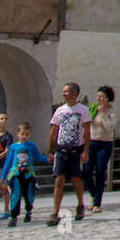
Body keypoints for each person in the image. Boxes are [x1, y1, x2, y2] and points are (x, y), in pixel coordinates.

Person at [47, 82, 91, 228]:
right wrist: (50, 149)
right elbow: (53, 130)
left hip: (75, 150)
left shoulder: (83, 110)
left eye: (66, 91)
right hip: (61, 149)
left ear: (74, 94)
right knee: (58, 180)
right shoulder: (60, 111)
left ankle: (80, 204)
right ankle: (55, 212)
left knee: (75, 179)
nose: (63, 94)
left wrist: (85, 151)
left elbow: (87, 132)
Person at [1, 122, 49, 227]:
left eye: (26, 134)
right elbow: (8, 162)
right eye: (22, 134)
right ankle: (14, 217)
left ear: (30, 134)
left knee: (29, 194)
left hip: (28, 174)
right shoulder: (13, 147)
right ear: (18, 133)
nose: (24, 136)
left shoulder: (31, 146)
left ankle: (28, 211)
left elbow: (38, 157)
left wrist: (48, 158)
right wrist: (2, 177)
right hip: (16, 174)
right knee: (15, 194)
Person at [83, 86, 116, 213]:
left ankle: (97, 202)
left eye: (101, 96)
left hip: (105, 144)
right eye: (98, 96)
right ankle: (92, 194)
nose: (99, 99)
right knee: (87, 171)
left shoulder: (111, 111)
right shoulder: (92, 108)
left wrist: (103, 114)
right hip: (91, 143)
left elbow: (110, 128)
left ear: (108, 98)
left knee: (100, 170)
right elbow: (86, 125)